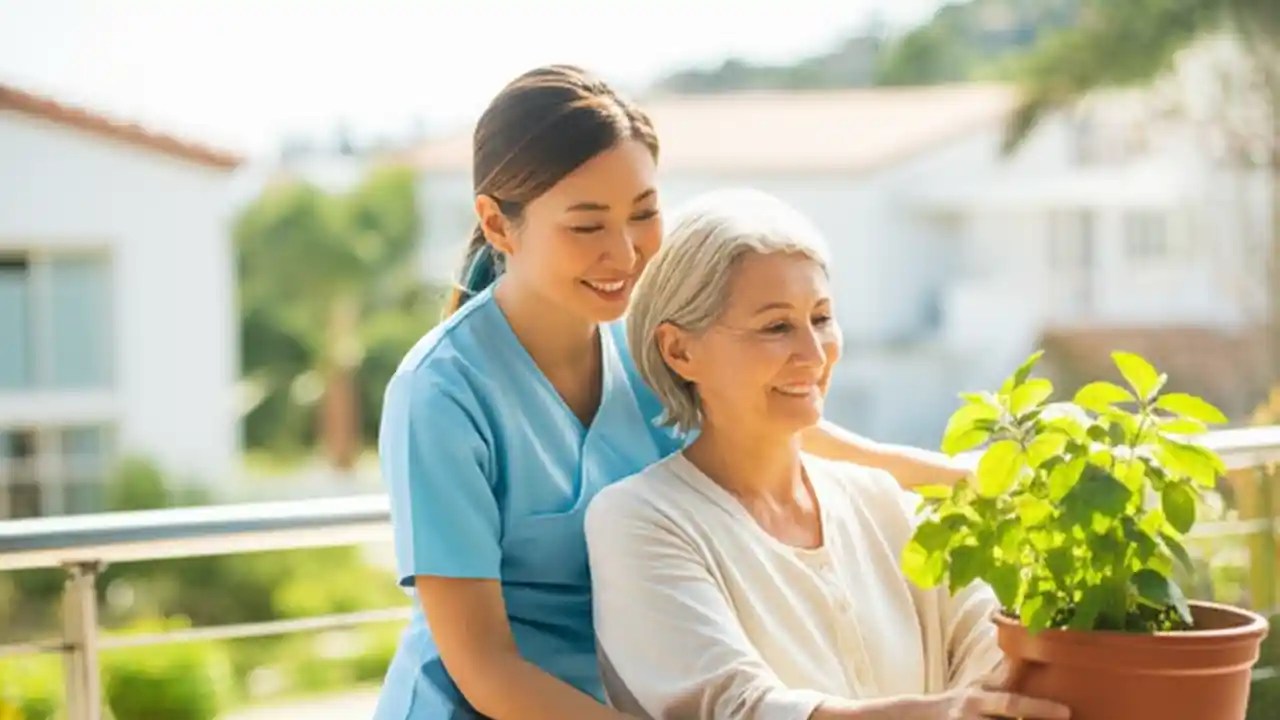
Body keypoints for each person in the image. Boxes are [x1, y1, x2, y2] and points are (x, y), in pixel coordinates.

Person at [375, 65, 970, 720]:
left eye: (644, 213)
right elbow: (488, 668)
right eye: (587, 226)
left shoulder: (644, 342)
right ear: (496, 223)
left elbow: (795, 435)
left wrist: (965, 478)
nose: (626, 252)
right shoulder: (439, 395)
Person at [585, 189, 1072, 720]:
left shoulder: (882, 502)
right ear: (679, 350)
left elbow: (989, 640)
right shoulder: (639, 520)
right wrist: (943, 712)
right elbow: (736, 707)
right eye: (776, 327)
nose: (814, 355)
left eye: (820, 318)